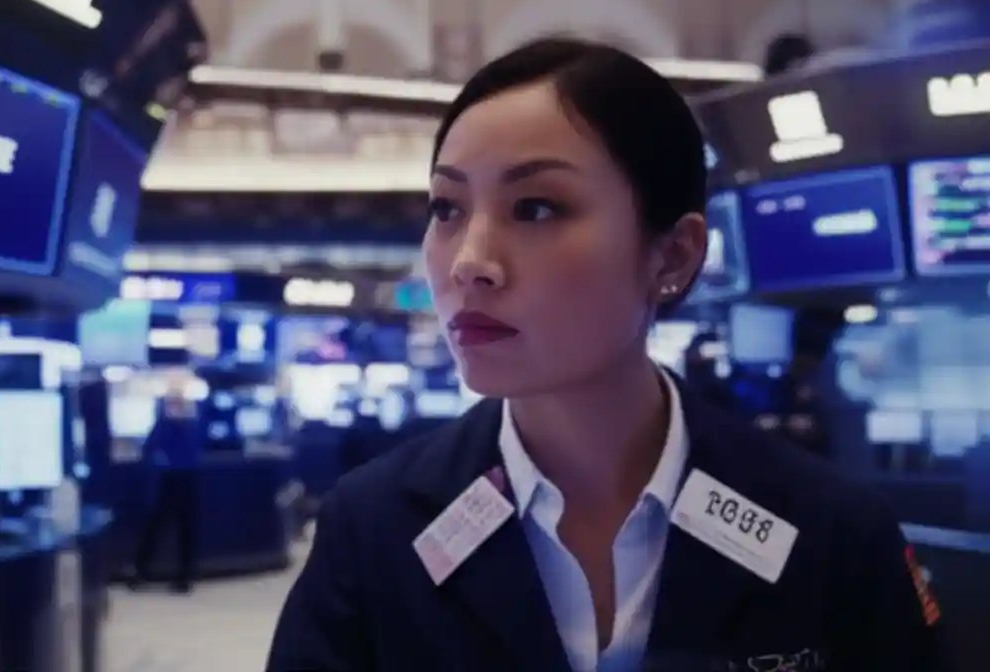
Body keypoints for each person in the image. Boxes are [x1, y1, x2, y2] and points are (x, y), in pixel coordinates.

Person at [268, 37, 948, 671]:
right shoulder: (374, 528)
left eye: (534, 208)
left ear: (673, 255)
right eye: (447, 208)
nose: (469, 263)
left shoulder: (832, 531)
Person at [132, 384, 202, 593]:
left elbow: (149, 447)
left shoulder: (165, 424)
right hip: (190, 479)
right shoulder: (194, 424)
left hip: (169, 479)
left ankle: (142, 573)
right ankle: (185, 577)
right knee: (186, 530)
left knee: (156, 527)